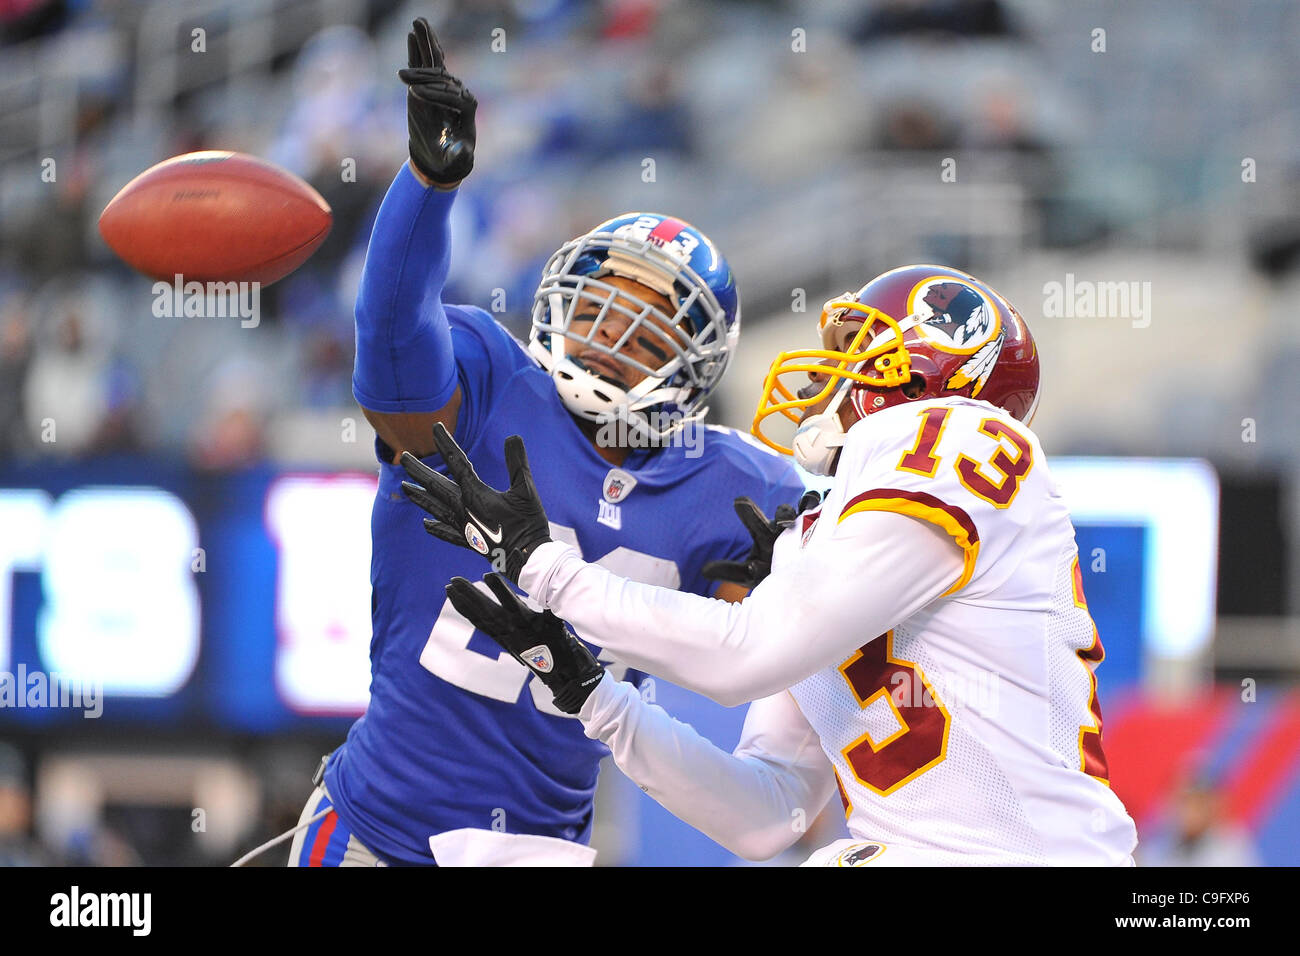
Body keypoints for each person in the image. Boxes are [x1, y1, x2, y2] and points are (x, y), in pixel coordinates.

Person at [406, 264, 1140, 865]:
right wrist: (594, 694)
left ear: (921, 376)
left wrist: (542, 563)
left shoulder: (959, 435)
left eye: (863, 350)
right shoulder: (828, 538)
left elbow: (745, 655)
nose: (836, 373)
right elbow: (767, 812)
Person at [287, 18, 805, 867]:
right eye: (599, 305)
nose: (609, 332)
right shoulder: (490, 378)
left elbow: (857, 569)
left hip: (542, 851)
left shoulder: (729, 481)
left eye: (645, 325)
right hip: (378, 833)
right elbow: (389, 342)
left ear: (696, 358)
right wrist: (426, 183)